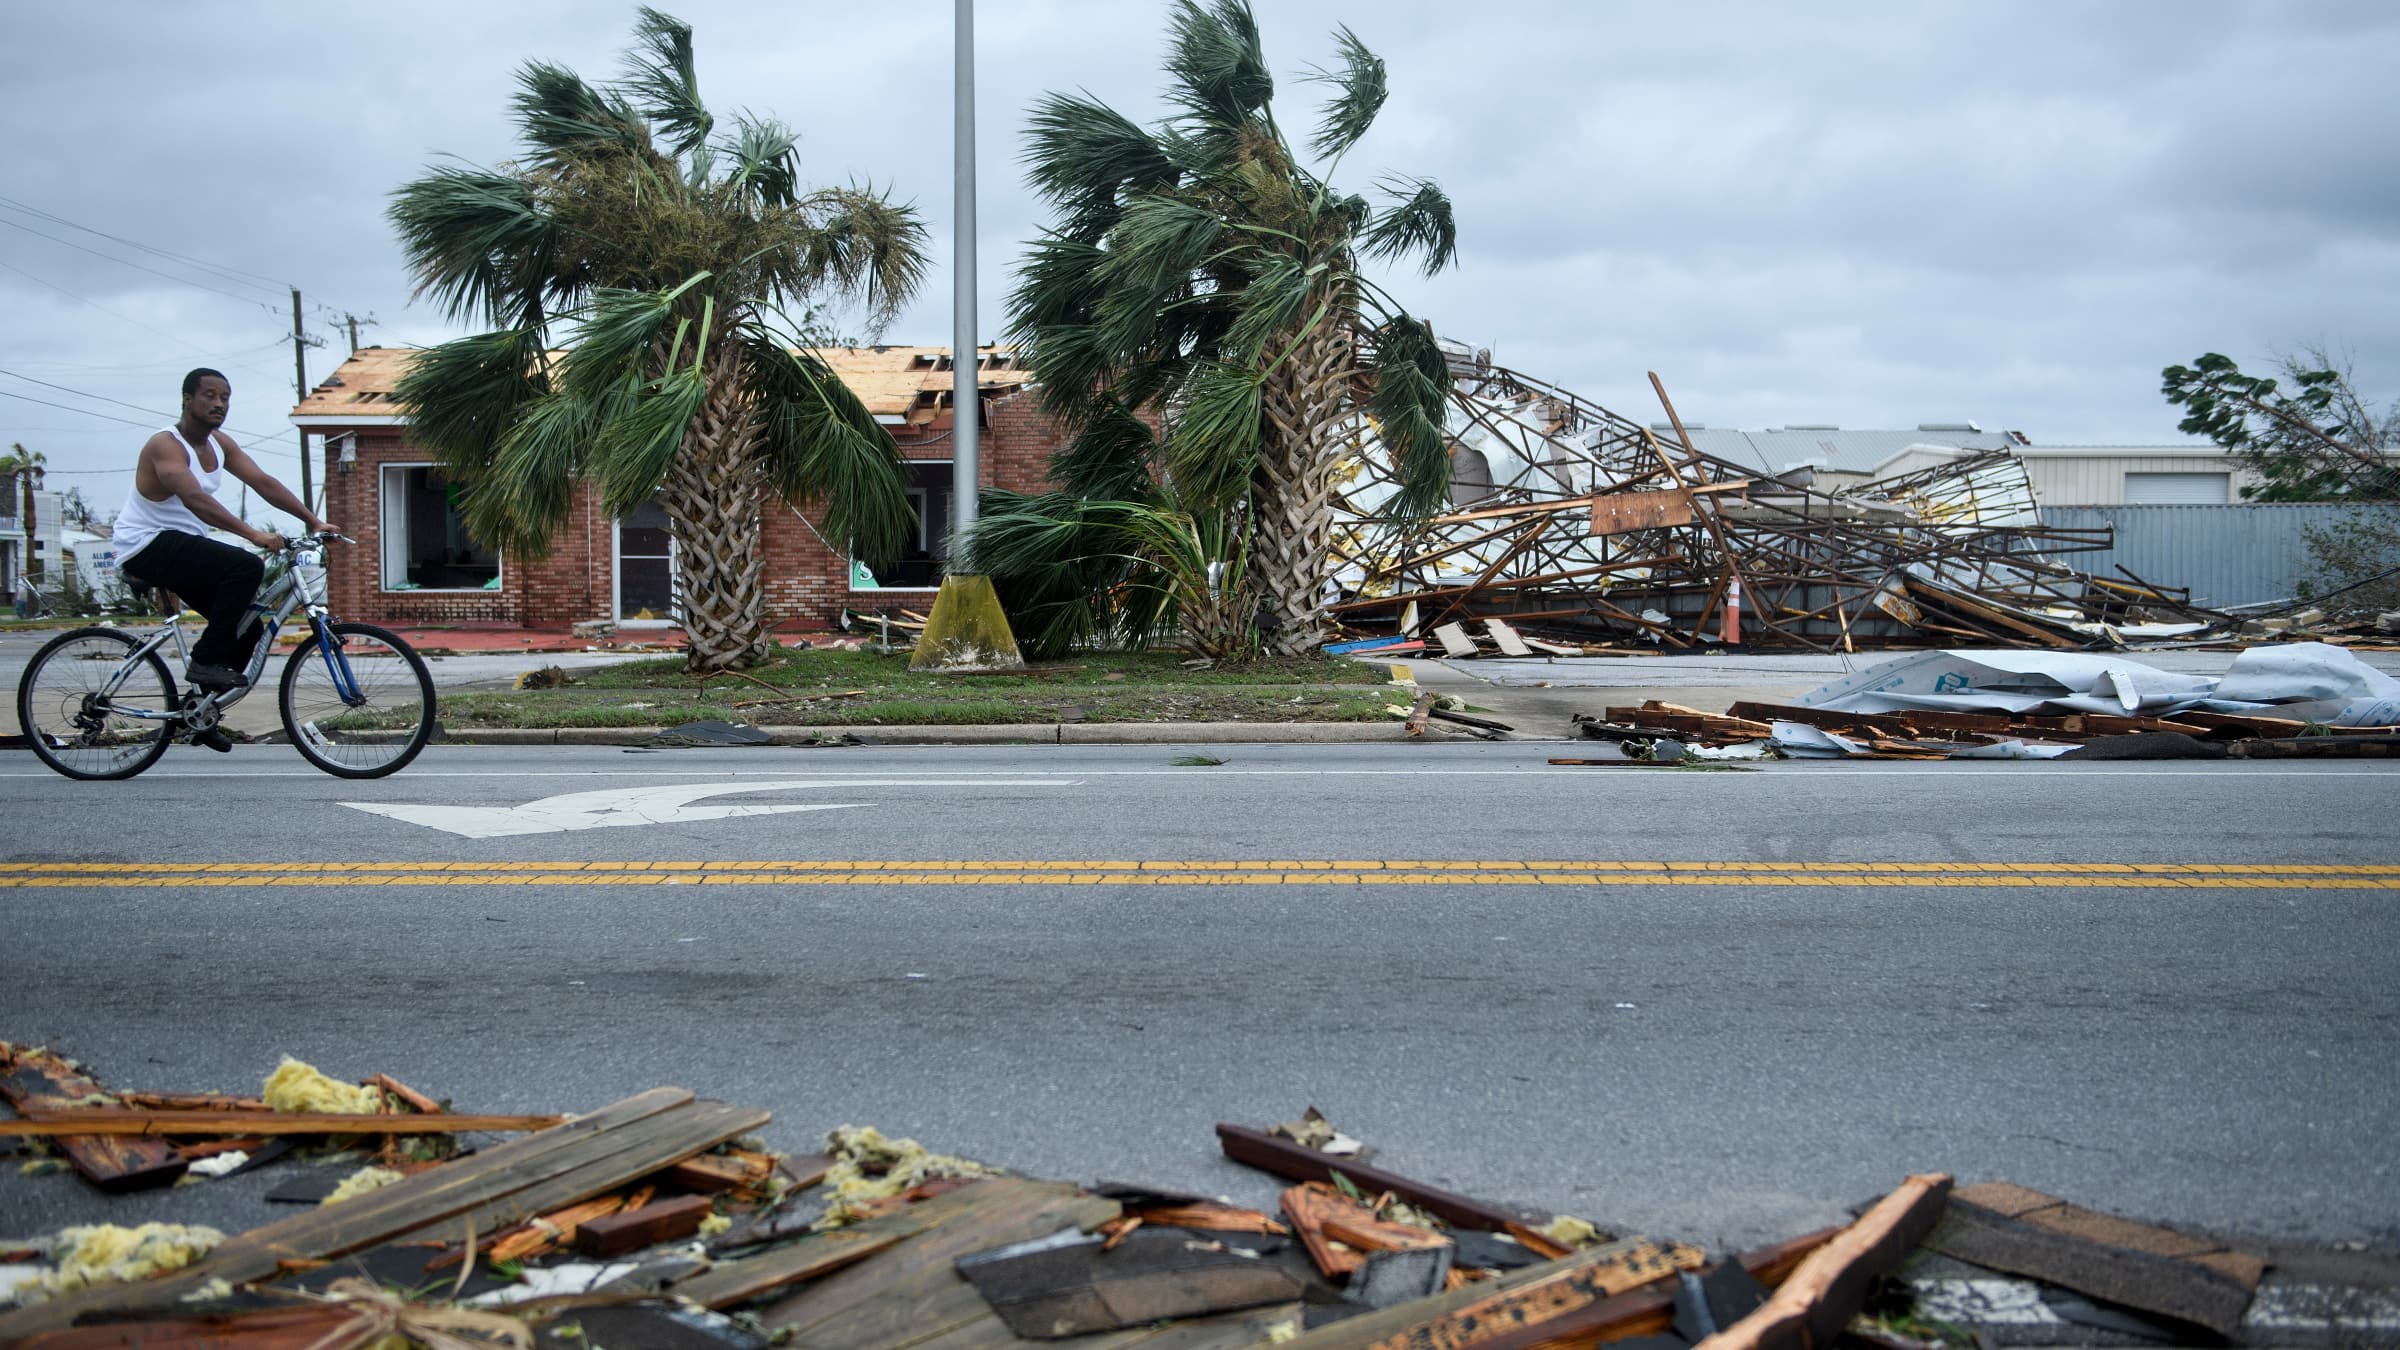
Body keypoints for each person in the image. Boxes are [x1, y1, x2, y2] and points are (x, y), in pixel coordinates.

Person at [114, 368, 333, 716]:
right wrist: (254, 535)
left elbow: (263, 481)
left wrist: (313, 520)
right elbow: (194, 499)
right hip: (145, 545)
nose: (219, 404)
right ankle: (203, 661)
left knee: (246, 630)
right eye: (210, 395)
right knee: (245, 566)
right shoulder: (165, 445)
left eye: (225, 397)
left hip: (182, 546)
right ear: (187, 399)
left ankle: (198, 711)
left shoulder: (220, 443)